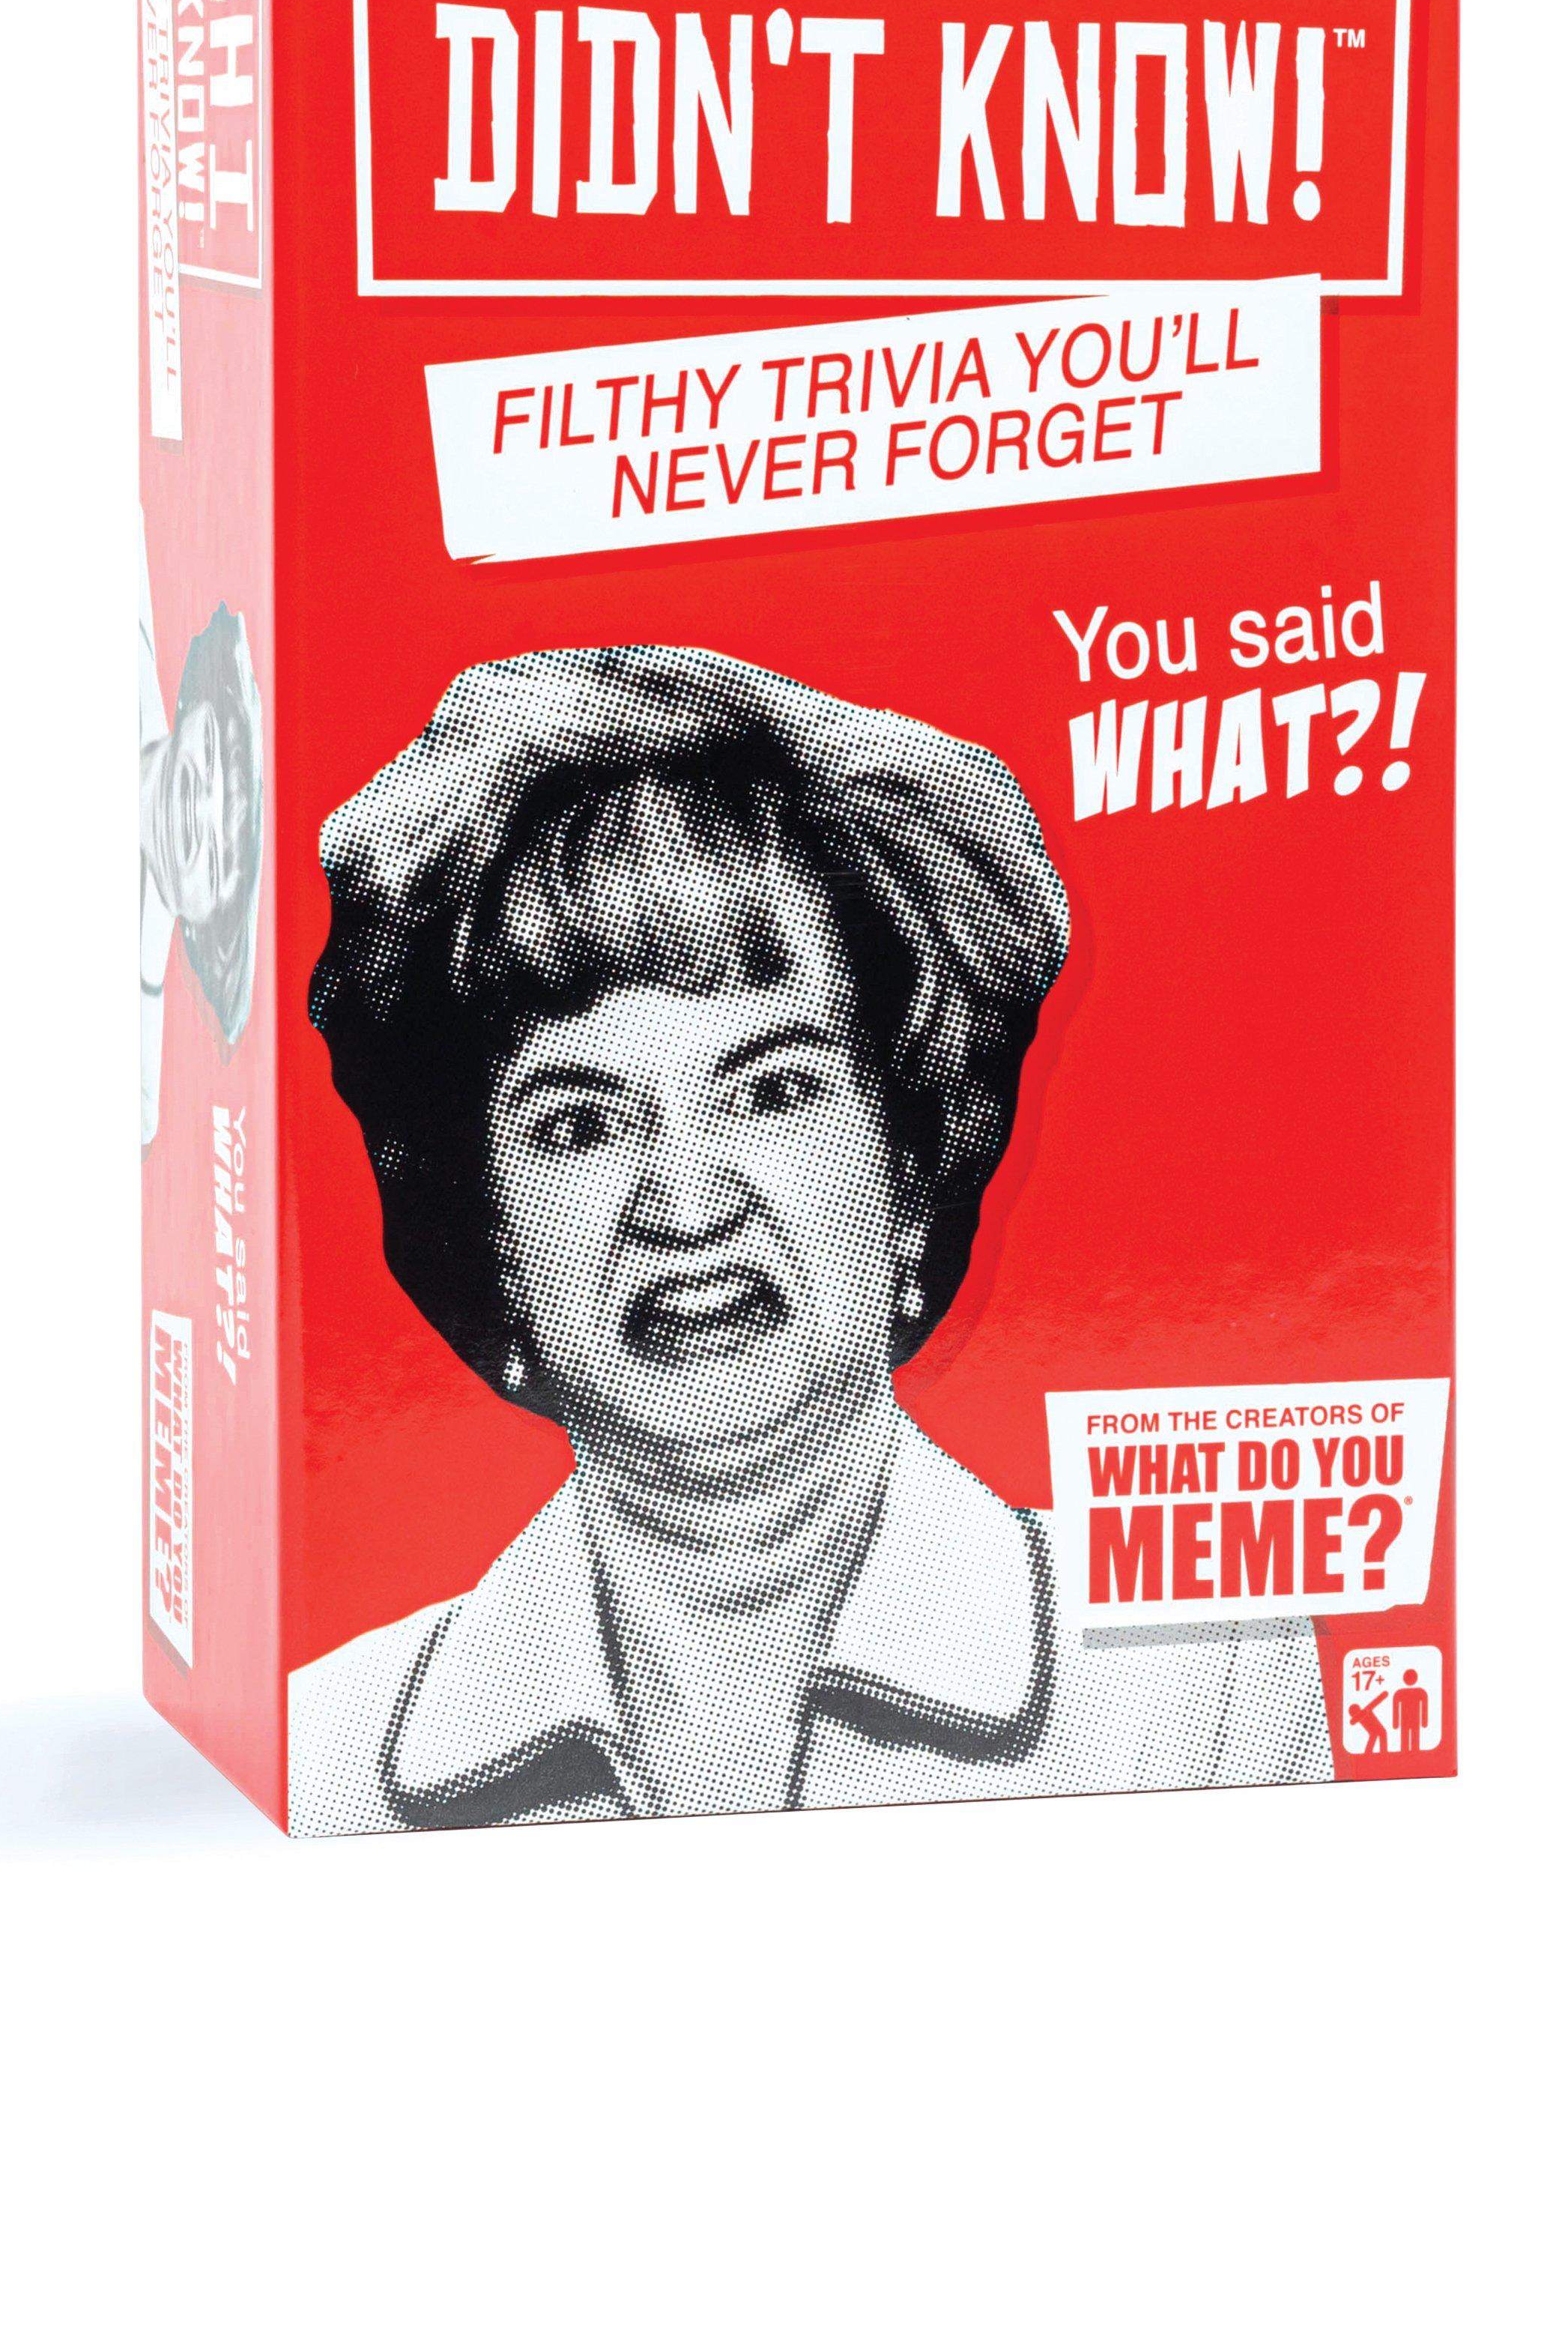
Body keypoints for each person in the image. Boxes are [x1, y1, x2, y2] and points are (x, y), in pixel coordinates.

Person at [289, 645, 1335, 1829]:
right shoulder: (322, 1761)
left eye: (773, 1091)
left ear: (906, 1169)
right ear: (492, 1238)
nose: (688, 1205)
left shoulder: (1200, 1676)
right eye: (580, 1126)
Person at [139, 513, 264, 1146]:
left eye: (217, 860)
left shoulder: (135, 1079)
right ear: (195, 703)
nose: (202, 806)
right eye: (213, 751)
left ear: (203, 929)